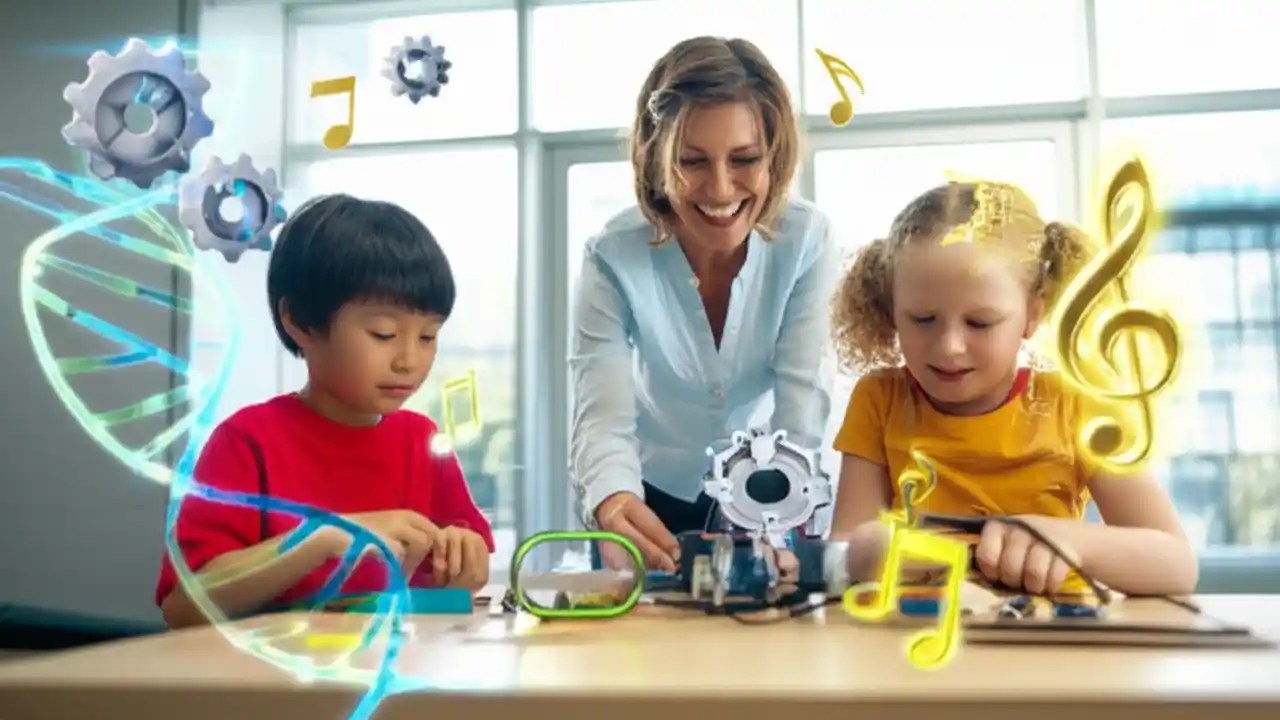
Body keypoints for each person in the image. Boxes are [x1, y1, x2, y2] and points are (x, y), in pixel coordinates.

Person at [827, 180, 1198, 597]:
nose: (949, 346)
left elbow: (1176, 564)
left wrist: (1066, 539)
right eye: (922, 319)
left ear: (1032, 314)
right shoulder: (879, 400)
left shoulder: (1078, 405)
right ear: (891, 310)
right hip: (916, 640)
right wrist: (869, 550)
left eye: (980, 322)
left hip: (1051, 640)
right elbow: (844, 554)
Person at [156, 194, 494, 629]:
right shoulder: (248, 440)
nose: (409, 360)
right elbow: (183, 608)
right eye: (384, 333)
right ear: (300, 321)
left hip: (395, 679)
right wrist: (319, 540)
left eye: (428, 337)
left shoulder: (422, 440)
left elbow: (467, 575)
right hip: (271, 685)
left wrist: (466, 558)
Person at [570, 36, 839, 572]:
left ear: (774, 156)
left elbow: (802, 397)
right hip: (648, 491)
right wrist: (612, 500)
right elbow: (602, 413)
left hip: (768, 483)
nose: (720, 189)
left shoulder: (807, 238)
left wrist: (782, 519)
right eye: (692, 161)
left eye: (744, 160)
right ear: (656, 159)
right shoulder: (612, 255)